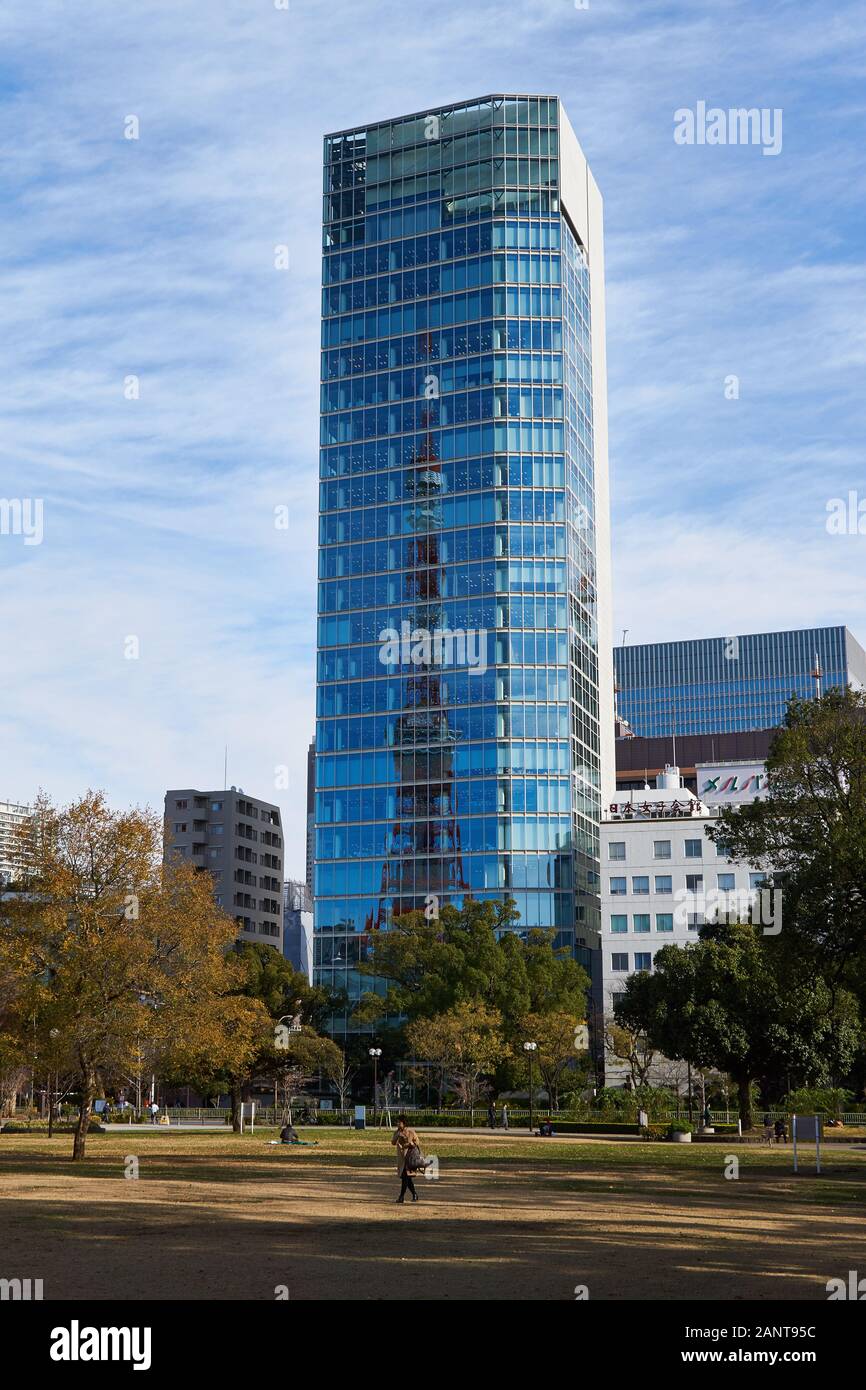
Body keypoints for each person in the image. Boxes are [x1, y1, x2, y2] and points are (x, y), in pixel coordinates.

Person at [391, 1114, 423, 1204]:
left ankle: (401, 1197)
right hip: (402, 1159)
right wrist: (398, 1135)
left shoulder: (411, 1132)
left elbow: (417, 1142)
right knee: (407, 1178)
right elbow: (393, 1142)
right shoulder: (396, 1132)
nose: (397, 1124)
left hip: (409, 1157)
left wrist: (410, 1144)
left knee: (405, 1177)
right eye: (397, 1122)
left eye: (399, 1122)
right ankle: (414, 1194)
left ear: (404, 1123)